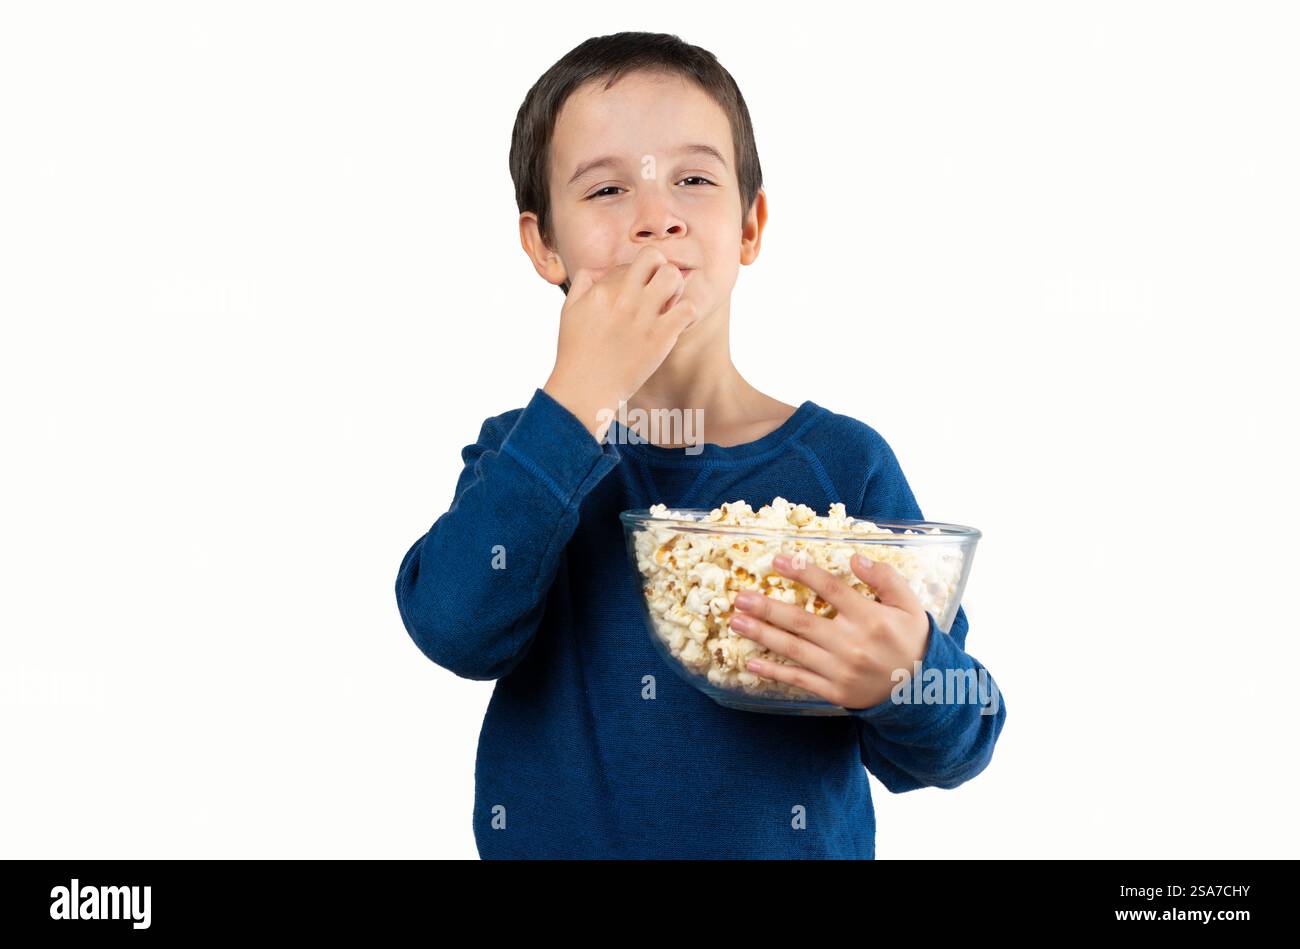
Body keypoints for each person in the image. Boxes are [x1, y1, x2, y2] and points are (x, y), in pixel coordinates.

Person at [395, 31, 1006, 859]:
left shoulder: (843, 465)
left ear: (750, 224)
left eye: (692, 178)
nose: (658, 216)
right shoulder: (525, 452)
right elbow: (454, 626)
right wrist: (575, 402)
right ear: (545, 246)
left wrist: (902, 679)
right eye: (608, 188)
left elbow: (958, 735)